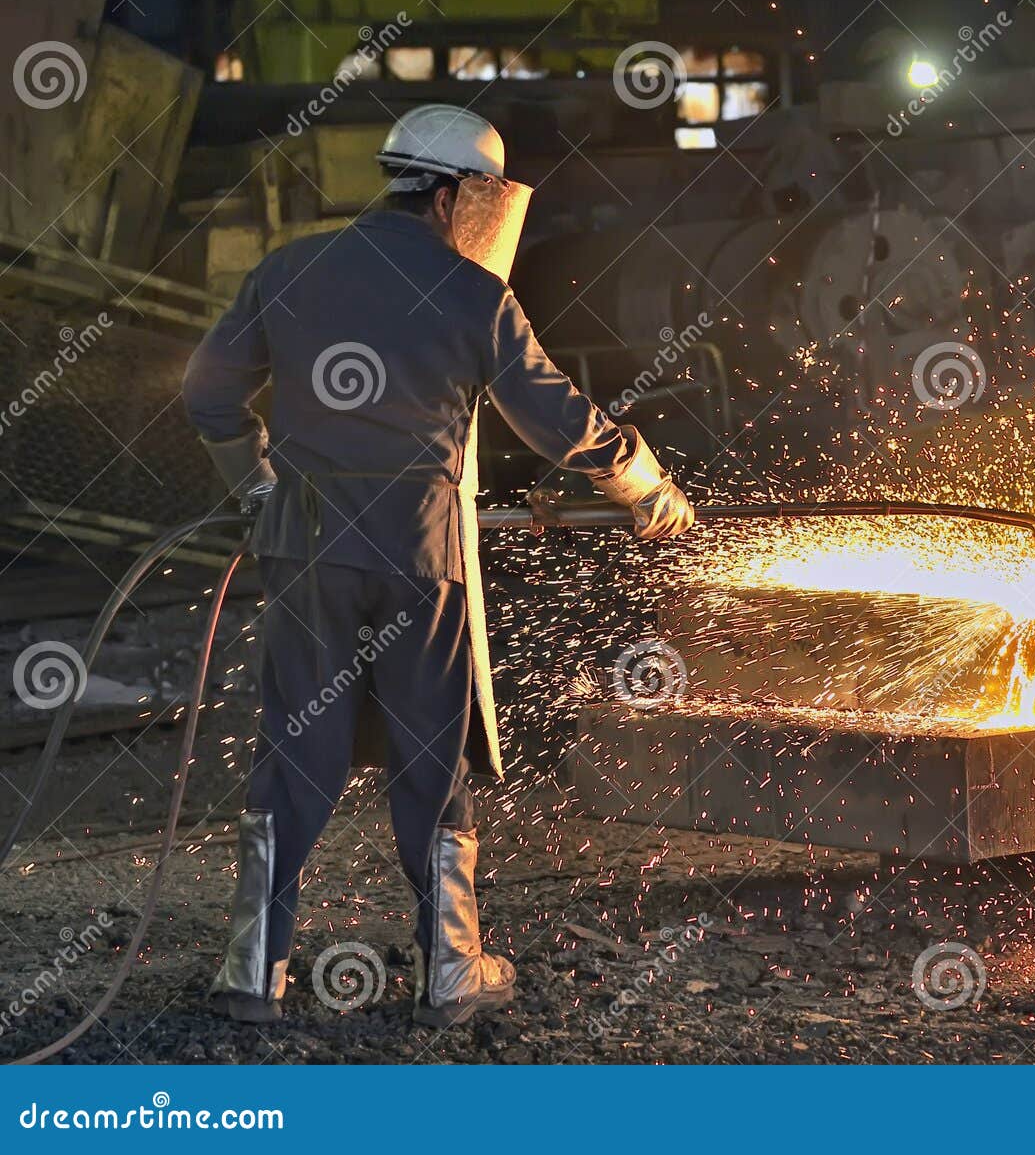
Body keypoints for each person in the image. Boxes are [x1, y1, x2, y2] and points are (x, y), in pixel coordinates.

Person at [181, 104, 694, 1027]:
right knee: (431, 753)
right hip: (422, 560)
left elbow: (207, 391)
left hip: (302, 554)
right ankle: (451, 971)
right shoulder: (471, 295)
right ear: (458, 195)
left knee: (297, 751)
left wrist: (258, 487)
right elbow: (553, 413)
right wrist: (641, 481)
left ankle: (251, 973)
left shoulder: (290, 270)